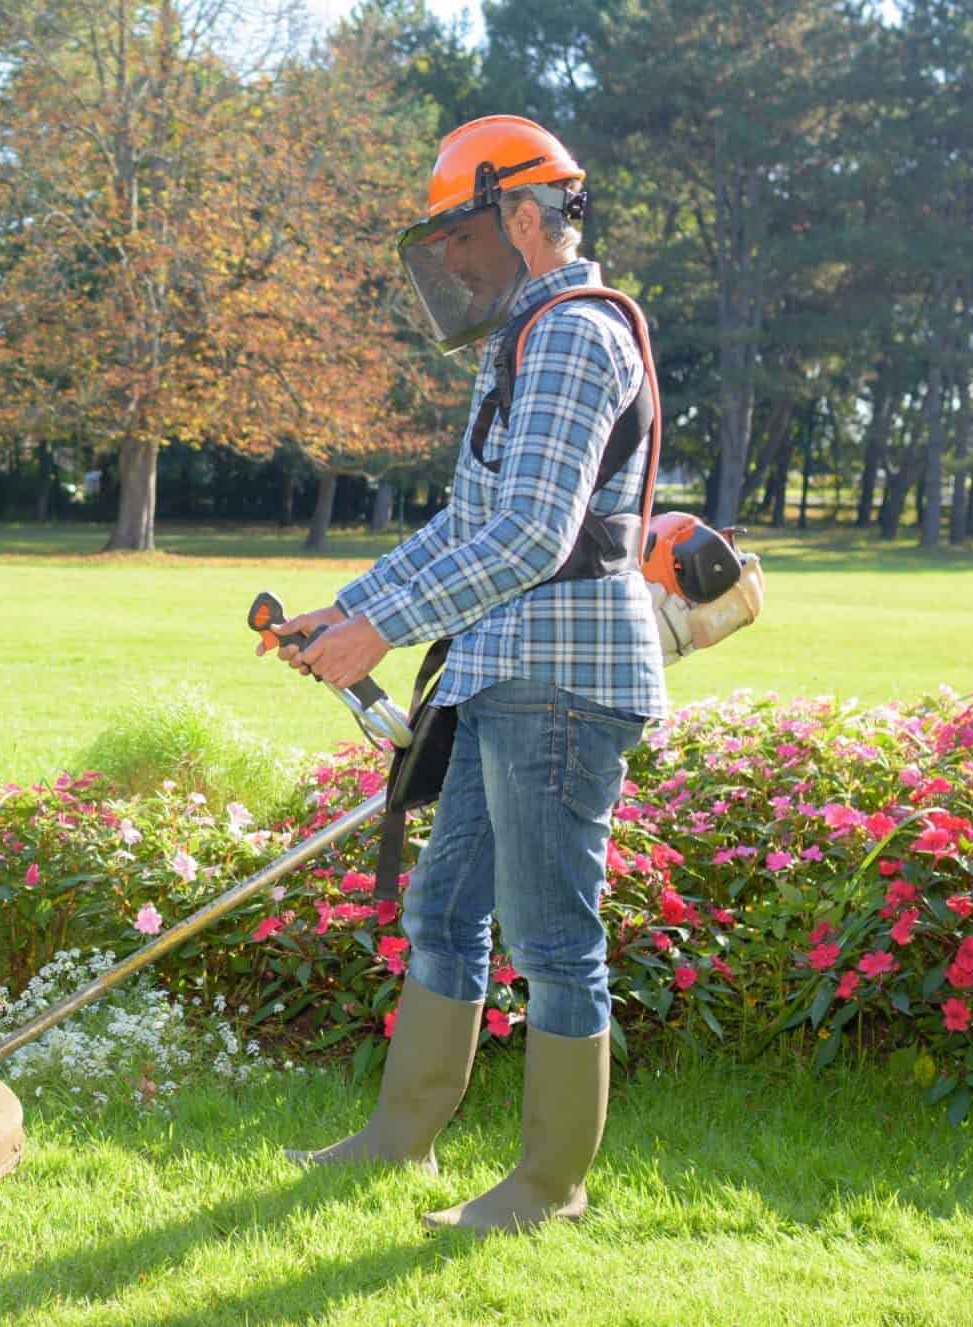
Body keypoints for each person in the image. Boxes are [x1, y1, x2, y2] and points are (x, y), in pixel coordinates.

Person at [263, 115, 666, 1236]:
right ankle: (400, 1136)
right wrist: (348, 611)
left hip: (558, 678)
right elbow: (467, 524)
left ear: (524, 217)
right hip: (502, 668)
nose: (446, 257)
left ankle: (546, 1185)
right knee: (444, 912)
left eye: (459, 231)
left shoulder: (574, 337)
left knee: (550, 935)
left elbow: (534, 535)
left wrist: (382, 626)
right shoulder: (522, 340)